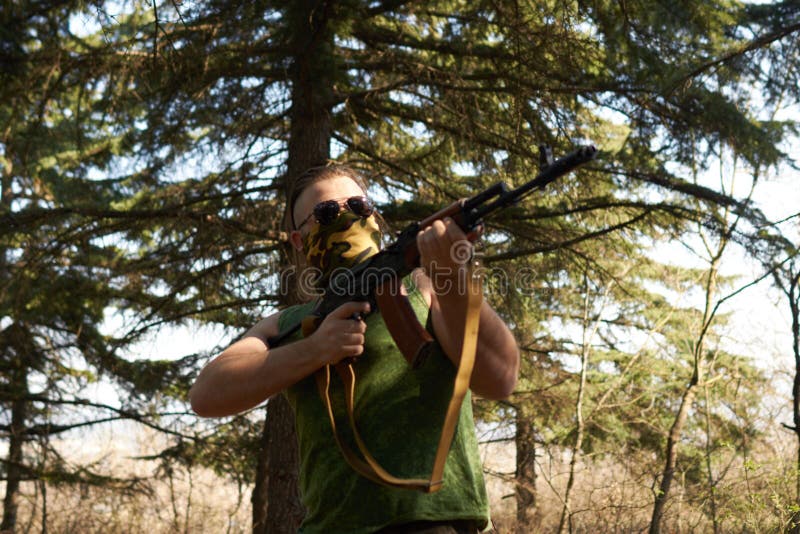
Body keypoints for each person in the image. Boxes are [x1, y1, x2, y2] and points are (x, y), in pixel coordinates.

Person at [189, 164, 520, 534]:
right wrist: (315, 349)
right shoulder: (289, 324)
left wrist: (453, 277)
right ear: (298, 240)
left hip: (440, 522)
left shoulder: (427, 287)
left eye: (360, 206)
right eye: (326, 213)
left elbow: (500, 378)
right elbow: (206, 395)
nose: (348, 218)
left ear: (375, 218)